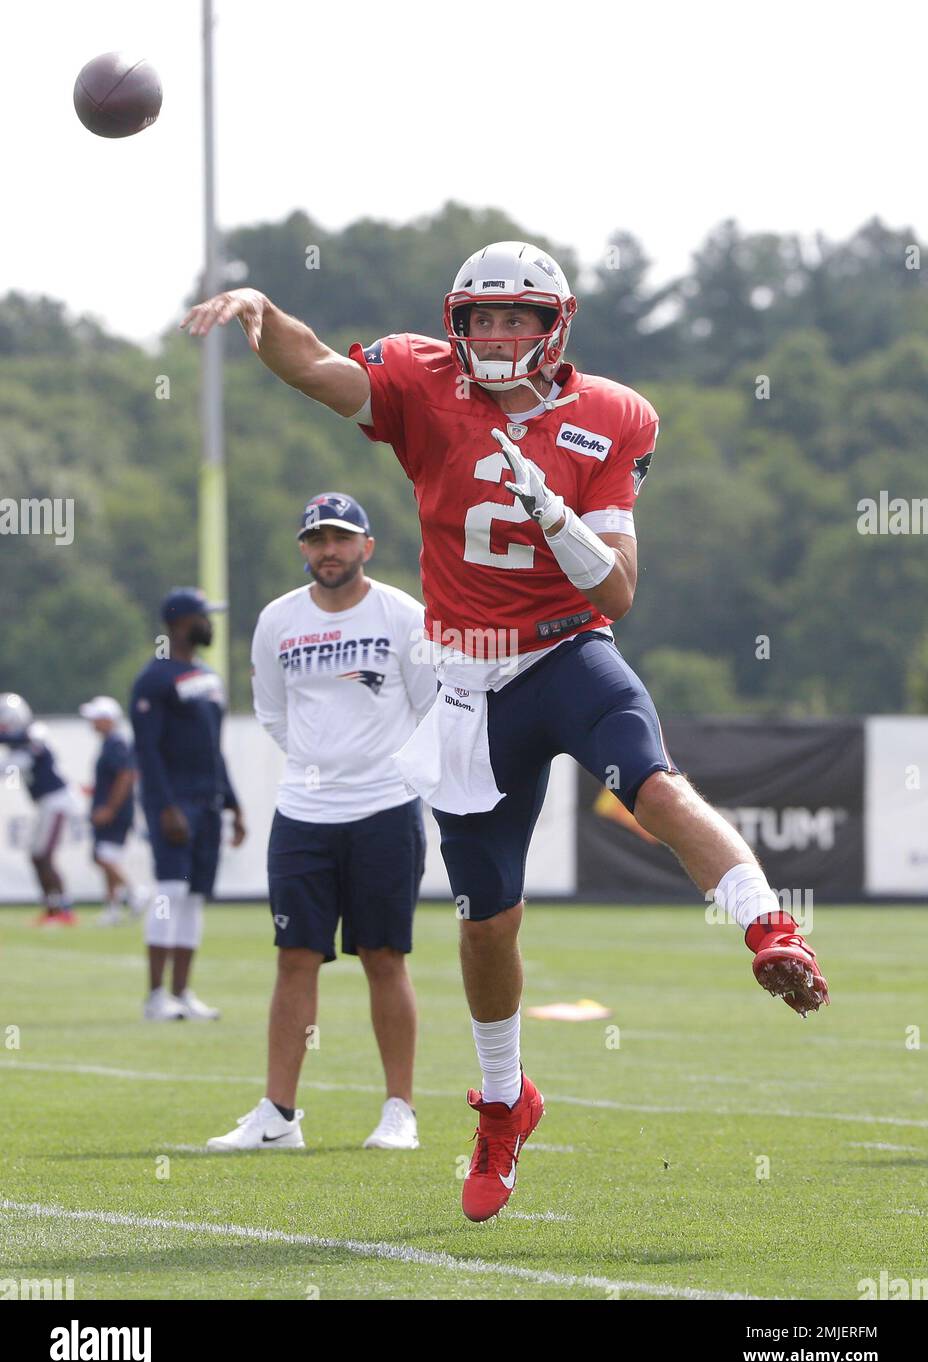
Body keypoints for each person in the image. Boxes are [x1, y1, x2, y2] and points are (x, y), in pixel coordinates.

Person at [182, 240, 830, 1220]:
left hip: (566, 649)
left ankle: (769, 924)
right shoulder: (418, 381)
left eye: (515, 317)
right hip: (467, 679)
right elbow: (318, 367)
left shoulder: (611, 416)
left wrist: (551, 511)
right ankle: (501, 1101)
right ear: (455, 321)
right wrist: (263, 316)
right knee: (487, 923)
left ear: (553, 324)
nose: (494, 335)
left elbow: (615, 587)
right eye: (479, 317)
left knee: (651, 783)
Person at [208, 493, 436, 1153]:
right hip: (303, 813)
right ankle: (279, 1116)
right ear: (303, 549)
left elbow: (430, 708)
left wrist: (379, 773)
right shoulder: (278, 619)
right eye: (316, 540)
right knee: (295, 958)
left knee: (383, 956)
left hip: (386, 810)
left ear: (367, 545)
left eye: (340, 538)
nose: (328, 551)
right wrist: (320, 768)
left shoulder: (401, 615)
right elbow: (274, 712)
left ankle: (400, 1111)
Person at [130, 588, 246, 1021]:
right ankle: (155, 996)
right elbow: (148, 751)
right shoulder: (154, 679)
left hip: (208, 802)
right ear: (182, 622)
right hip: (175, 803)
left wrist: (233, 804)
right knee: (169, 890)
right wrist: (164, 806)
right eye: (204, 616)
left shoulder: (208, 678)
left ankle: (182, 993)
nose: (210, 625)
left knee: (194, 897)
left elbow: (215, 749)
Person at [0, 692, 78, 926]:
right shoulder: (19, 749)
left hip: (56, 801)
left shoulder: (35, 734)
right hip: (46, 804)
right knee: (37, 856)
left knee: (43, 855)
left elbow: (27, 743)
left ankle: (63, 909)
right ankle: (53, 908)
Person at [79, 695, 148, 925]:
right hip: (111, 808)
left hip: (116, 811)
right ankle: (113, 907)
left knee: (104, 856)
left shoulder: (116, 743)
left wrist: (110, 807)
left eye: (96, 718)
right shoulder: (110, 743)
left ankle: (134, 892)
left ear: (108, 719)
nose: (92, 723)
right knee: (106, 856)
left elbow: (125, 775)